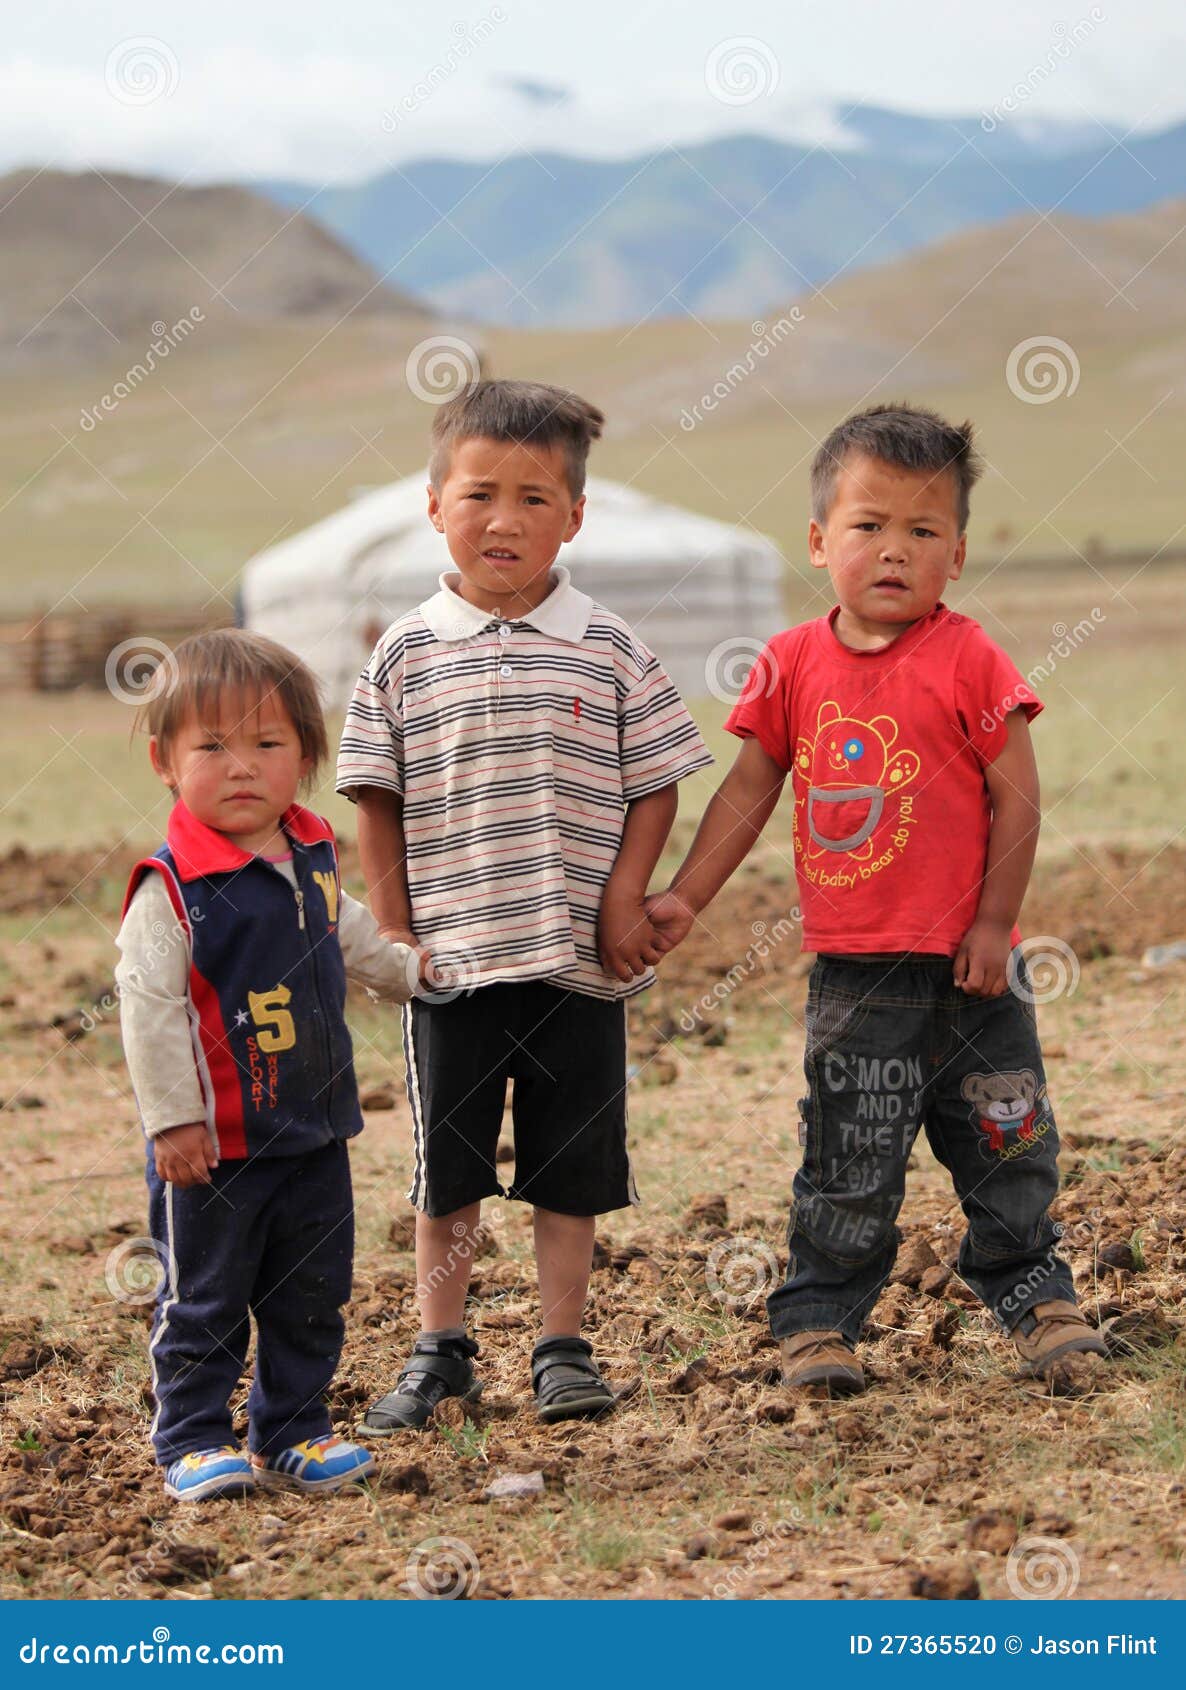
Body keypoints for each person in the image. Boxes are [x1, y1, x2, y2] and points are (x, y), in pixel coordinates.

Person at [645, 402, 1107, 1395]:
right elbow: (746, 789)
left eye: (921, 530)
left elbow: (1016, 797)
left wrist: (991, 922)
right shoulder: (791, 664)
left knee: (1005, 1133)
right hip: (857, 977)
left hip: (975, 971)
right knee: (849, 1154)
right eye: (868, 526)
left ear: (958, 552)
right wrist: (682, 896)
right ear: (819, 541)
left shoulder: (970, 657)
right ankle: (819, 1318)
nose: (892, 550)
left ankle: (1035, 1292)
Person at [336, 379, 711, 1427]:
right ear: (433, 503)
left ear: (576, 517)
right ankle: (440, 1346)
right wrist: (396, 930)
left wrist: (625, 899)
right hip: (452, 968)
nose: (505, 520)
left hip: (575, 966)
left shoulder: (608, 644)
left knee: (571, 1168)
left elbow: (659, 779)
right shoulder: (404, 650)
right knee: (447, 1175)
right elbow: (375, 796)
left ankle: (561, 1346)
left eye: (536, 498)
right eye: (480, 494)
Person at [116, 629, 420, 1500]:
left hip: (315, 1128)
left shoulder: (312, 853)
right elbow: (147, 1008)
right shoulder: (171, 887)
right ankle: (193, 1435)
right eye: (211, 745)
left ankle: (293, 1428)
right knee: (206, 1297)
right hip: (215, 1146)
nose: (241, 766)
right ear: (165, 761)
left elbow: (347, 929)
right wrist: (173, 1120)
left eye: (267, 744)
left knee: (309, 1293)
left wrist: (403, 972)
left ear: (306, 757)